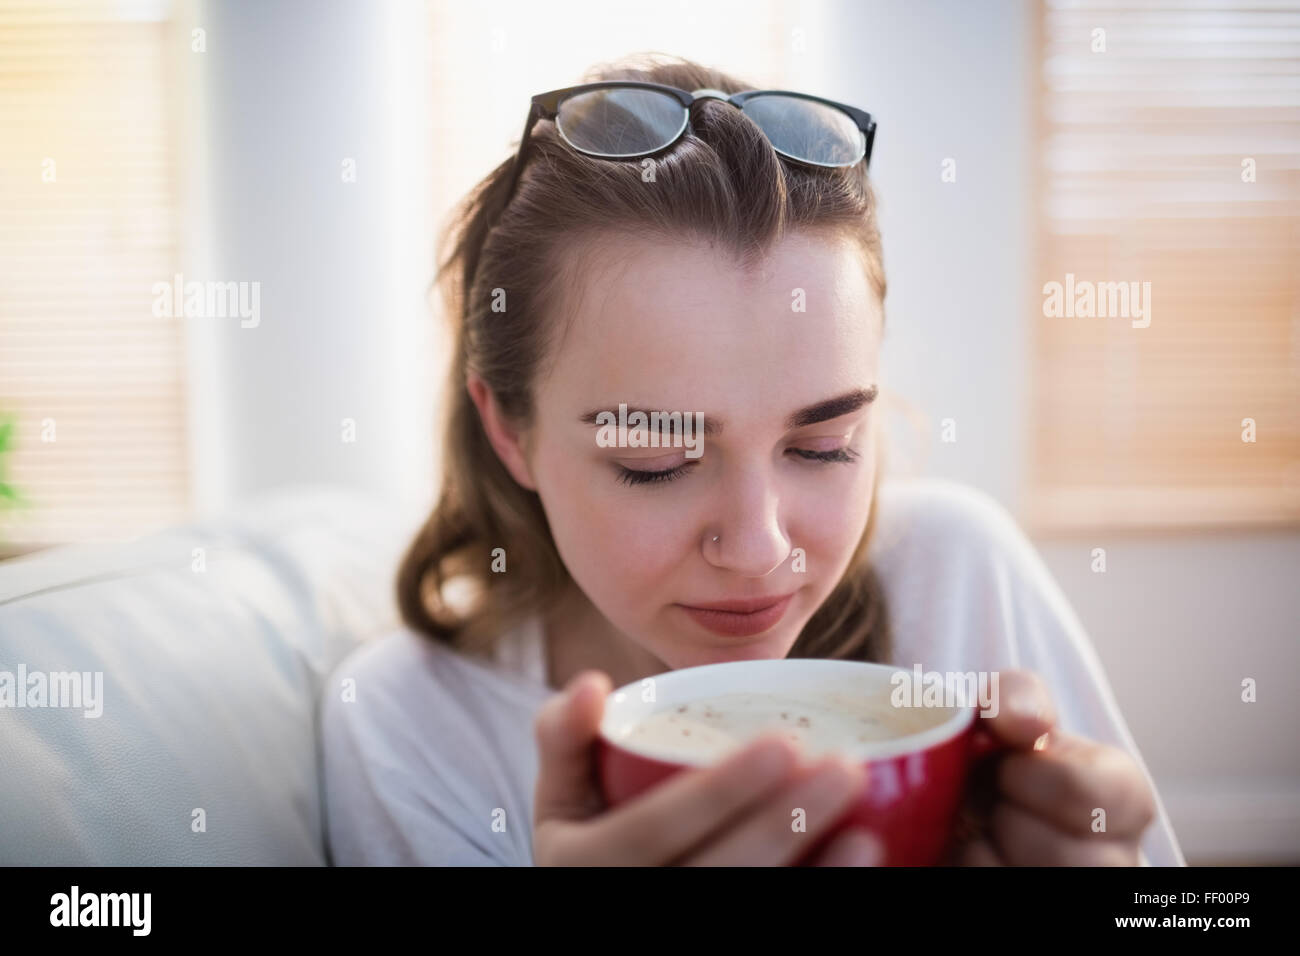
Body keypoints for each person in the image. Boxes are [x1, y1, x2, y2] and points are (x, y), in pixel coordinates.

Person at [319, 54, 1184, 867]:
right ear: (509, 430)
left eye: (823, 446)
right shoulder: (411, 726)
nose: (762, 549)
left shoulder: (953, 579)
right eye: (655, 462)